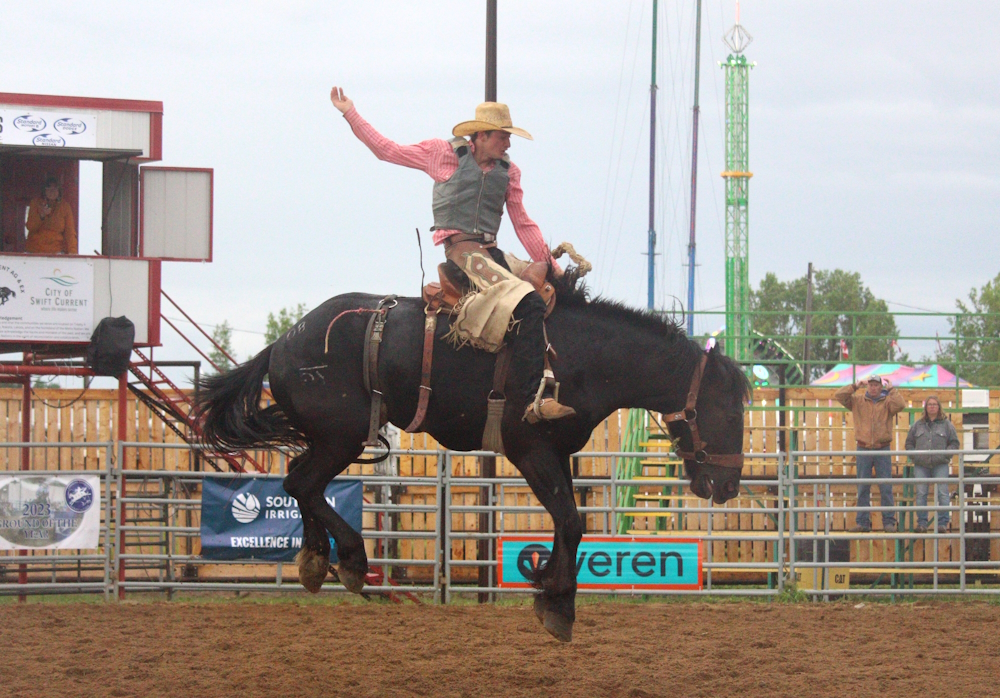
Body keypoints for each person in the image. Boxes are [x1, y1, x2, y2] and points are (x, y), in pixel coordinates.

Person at [330, 86, 575, 423]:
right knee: (528, 302)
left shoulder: (509, 171)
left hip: (491, 252)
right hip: (462, 253)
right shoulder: (442, 154)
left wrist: (552, 267)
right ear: (482, 135)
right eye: (503, 136)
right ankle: (534, 398)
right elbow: (387, 150)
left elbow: (523, 224)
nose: (508, 144)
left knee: (547, 290)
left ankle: (540, 374)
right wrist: (350, 112)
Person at [835, 375, 906, 532]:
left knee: (886, 487)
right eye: (871, 385)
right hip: (864, 447)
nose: (873, 388)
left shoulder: (888, 402)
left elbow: (901, 405)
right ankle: (863, 522)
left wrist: (892, 389)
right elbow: (839, 395)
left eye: (876, 385)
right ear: (867, 386)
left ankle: (888, 522)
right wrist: (855, 385)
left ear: (881, 387)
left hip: (882, 447)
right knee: (862, 487)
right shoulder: (857, 401)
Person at [905, 395, 959, 533]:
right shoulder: (917, 425)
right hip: (921, 464)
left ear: (939, 407)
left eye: (935, 404)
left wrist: (945, 455)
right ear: (926, 407)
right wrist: (914, 456)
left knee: (943, 493)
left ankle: (943, 524)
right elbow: (909, 443)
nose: (932, 407)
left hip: (940, 464)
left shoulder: (947, 425)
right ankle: (922, 524)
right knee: (921, 494)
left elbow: (954, 443)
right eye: (930, 404)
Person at [25, 176, 77, 255]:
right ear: (44, 191)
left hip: (56, 252)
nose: (52, 191)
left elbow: (70, 232)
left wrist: (72, 252)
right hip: (34, 251)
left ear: (59, 191)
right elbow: (30, 227)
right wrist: (41, 216)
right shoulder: (35, 203)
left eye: (55, 188)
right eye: (48, 188)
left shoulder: (65, 207)